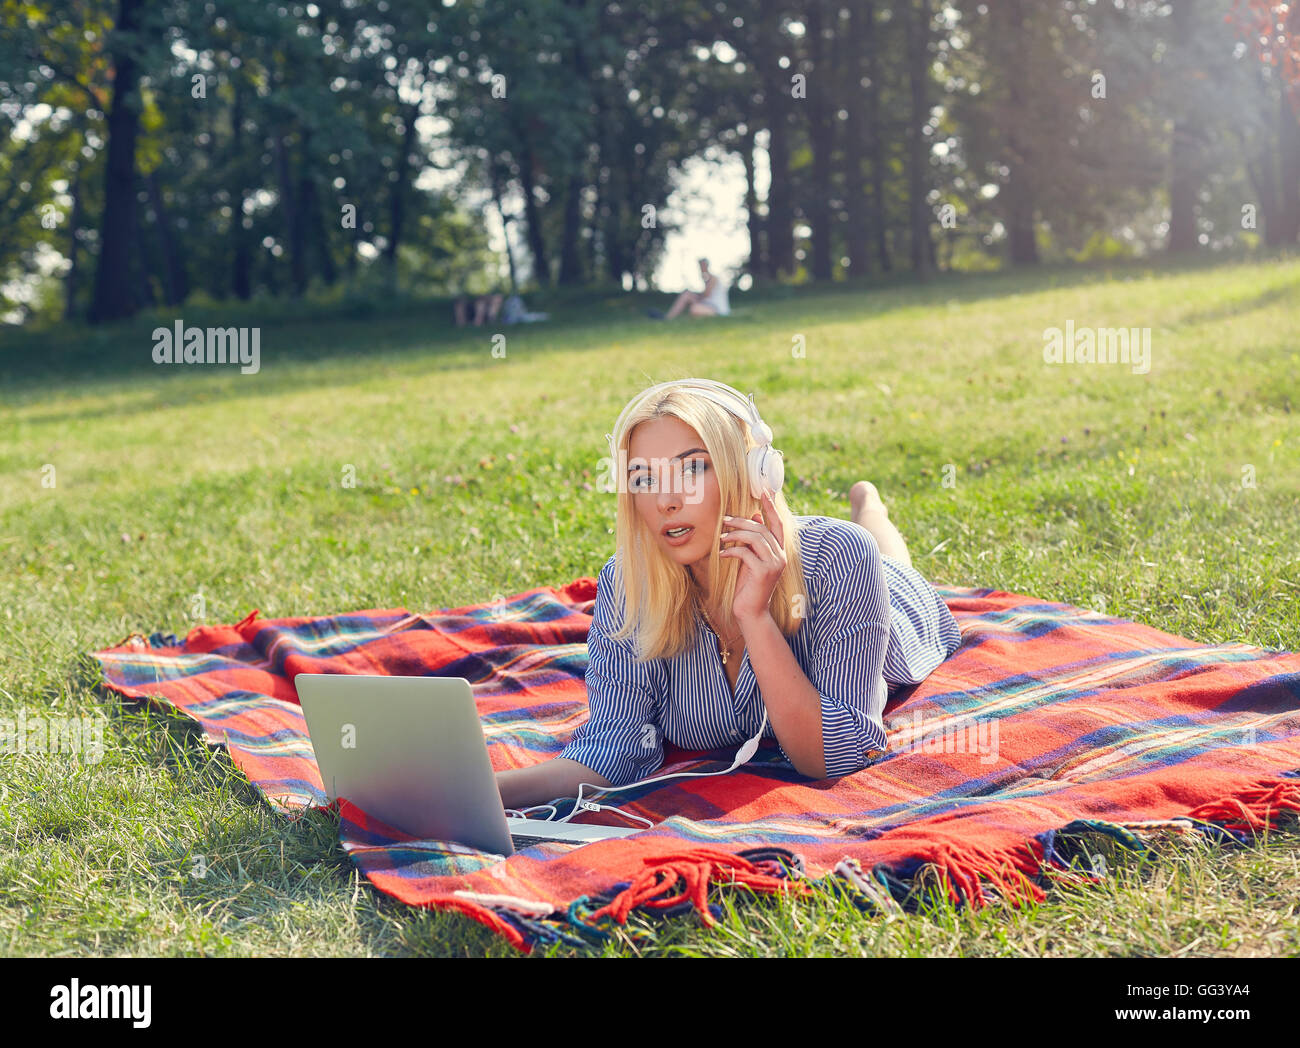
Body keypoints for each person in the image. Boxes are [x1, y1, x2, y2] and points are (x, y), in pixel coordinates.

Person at [495, 379, 962, 812]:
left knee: (892, 561)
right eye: (645, 478)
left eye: (692, 468)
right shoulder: (628, 584)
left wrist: (753, 618)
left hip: (891, 603)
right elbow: (611, 744)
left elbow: (833, 757)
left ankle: (869, 503)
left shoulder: (841, 558)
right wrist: (485, 794)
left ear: (755, 473)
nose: (666, 501)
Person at [649, 258, 730, 320]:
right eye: (700, 266)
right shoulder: (707, 279)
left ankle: (669, 318)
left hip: (717, 310)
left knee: (694, 308)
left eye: (702, 266)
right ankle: (668, 317)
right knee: (686, 294)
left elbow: (706, 295)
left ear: (706, 266)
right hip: (708, 305)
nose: (701, 268)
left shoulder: (713, 279)